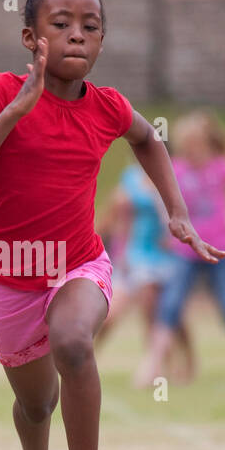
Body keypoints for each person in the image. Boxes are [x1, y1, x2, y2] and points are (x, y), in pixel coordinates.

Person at [0, 0, 223, 450]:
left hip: (78, 263)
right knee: (37, 405)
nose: (77, 37)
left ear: (101, 41)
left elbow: (147, 139)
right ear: (31, 38)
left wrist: (177, 209)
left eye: (90, 28)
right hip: (9, 271)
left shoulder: (109, 107)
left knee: (73, 341)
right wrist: (13, 114)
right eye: (60, 25)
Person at [135, 112, 225, 389]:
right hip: (186, 251)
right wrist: (168, 223)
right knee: (169, 305)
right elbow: (153, 189)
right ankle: (152, 365)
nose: (191, 151)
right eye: (186, 145)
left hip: (220, 249)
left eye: (196, 145)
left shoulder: (222, 167)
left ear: (208, 144)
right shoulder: (176, 168)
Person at [96, 162, 194, 384]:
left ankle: (161, 364)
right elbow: (113, 212)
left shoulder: (172, 179)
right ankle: (85, 359)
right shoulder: (131, 178)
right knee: (108, 315)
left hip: (162, 257)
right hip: (132, 256)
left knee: (162, 310)